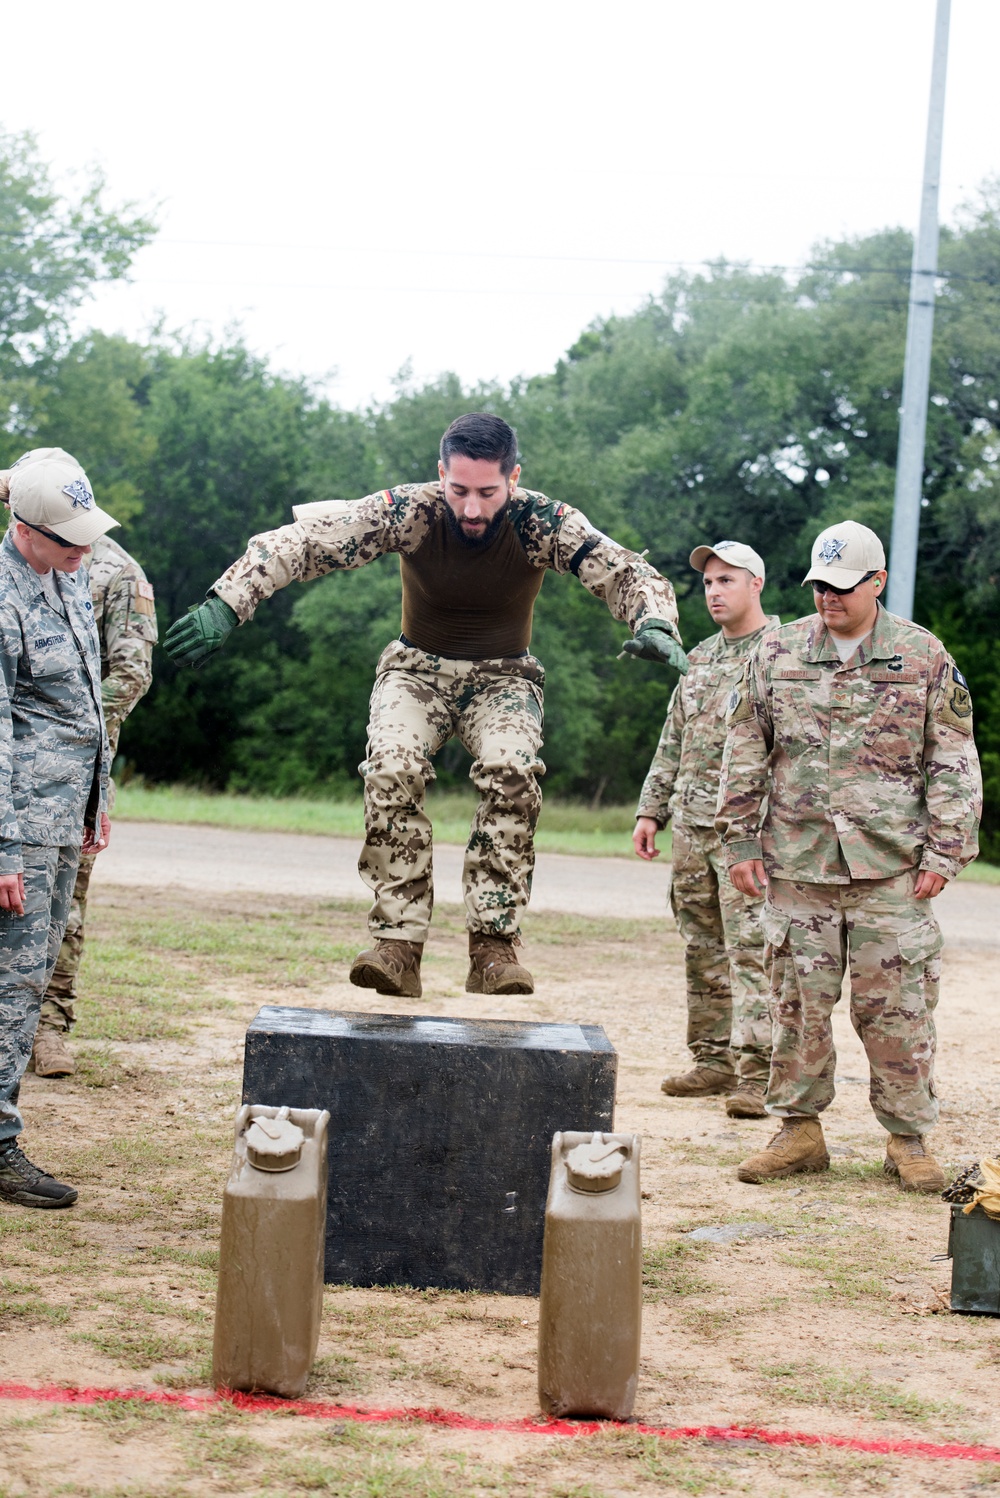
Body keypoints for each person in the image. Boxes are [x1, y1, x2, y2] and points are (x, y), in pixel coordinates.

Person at [165, 412, 685, 997]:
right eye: (458, 489)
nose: (470, 508)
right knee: (393, 766)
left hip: (504, 677)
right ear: (441, 474)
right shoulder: (412, 511)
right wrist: (228, 601)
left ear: (514, 478)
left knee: (512, 772)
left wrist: (655, 620)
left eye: (487, 493)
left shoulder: (541, 521)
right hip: (417, 672)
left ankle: (493, 945)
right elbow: (309, 540)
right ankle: (398, 945)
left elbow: (622, 569)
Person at [716, 520, 981, 1192]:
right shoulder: (776, 652)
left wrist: (946, 850)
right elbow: (745, 747)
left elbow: (951, 758)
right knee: (795, 1004)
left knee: (898, 1009)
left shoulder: (923, 656)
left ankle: (908, 1139)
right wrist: (740, 838)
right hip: (797, 865)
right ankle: (798, 1132)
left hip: (890, 867)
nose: (828, 599)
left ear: (878, 582)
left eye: (841, 587)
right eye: (819, 586)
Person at [0, 450, 115, 1209]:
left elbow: (83, 698)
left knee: (31, 977)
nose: (84, 551)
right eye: (69, 539)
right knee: (10, 985)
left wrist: (95, 799)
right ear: (25, 528)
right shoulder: (3, 597)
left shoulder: (64, 579)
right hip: (21, 826)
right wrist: (4, 844)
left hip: (61, 817)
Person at [634, 540, 779, 1118]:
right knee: (702, 948)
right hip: (692, 829)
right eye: (709, 582)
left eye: (727, 580)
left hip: (751, 834)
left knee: (753, 951)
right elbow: (675, 739)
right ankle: (714, 1060)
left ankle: (758, 1073)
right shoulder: (699, 658)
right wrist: (652, 810)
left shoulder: (782, 655)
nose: (715, 591)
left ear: (756, 584)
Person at [32, 515, 156, 1078]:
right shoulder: (13, 562)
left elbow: (131, 673)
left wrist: (59, 726)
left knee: (64, 897)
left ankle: (48, 1027)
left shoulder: (116, 571)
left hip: (74, 763)